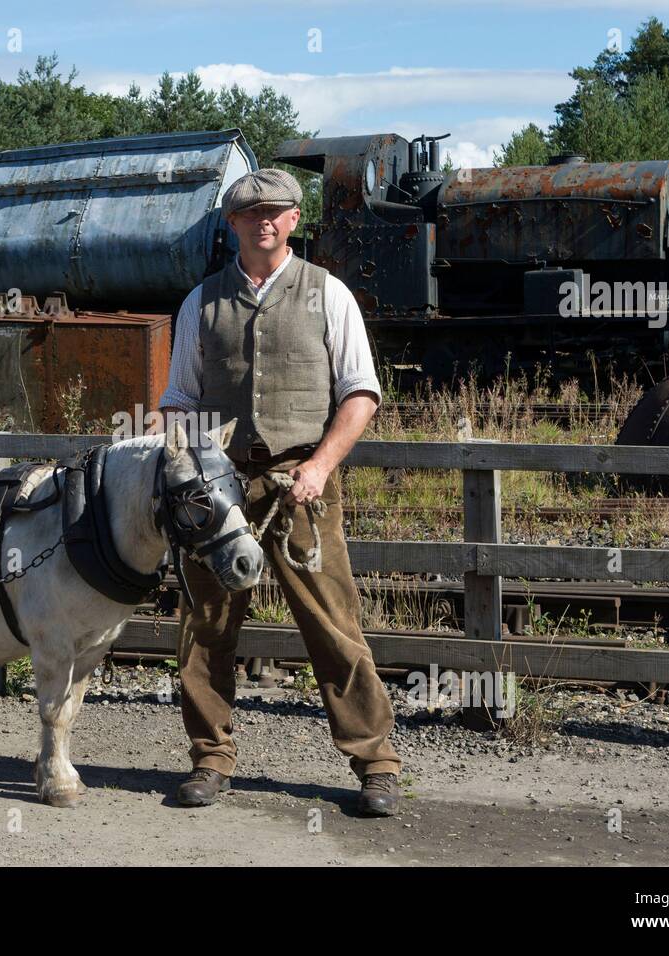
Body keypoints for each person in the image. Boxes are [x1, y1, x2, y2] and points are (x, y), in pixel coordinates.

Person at [157, 167, 403, 817]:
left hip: (304, 489)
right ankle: (209, 759)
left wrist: (319, 466)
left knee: (334, 626)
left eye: (276, 210)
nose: (263, 219)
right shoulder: (201, 302)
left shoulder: (329, 295)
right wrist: (193, 478)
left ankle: (375, 763)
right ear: (232, 224)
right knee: (205, 629)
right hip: (221, 489)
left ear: (295, 220)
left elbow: (360, 394)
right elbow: (180, 402)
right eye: (249, 212)